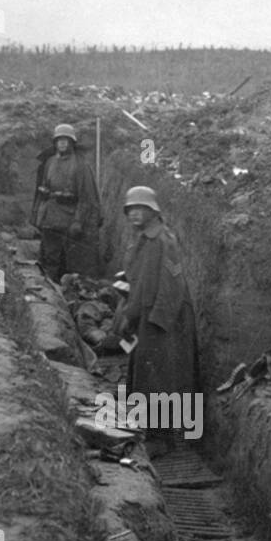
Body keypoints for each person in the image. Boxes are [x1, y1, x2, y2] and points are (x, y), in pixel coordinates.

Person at [112, 186, 202, 455]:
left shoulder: (164, 241)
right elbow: (137, 280)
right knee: (146, 375)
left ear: (153, 211)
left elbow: (172, 286)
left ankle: (161, 439)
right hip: (146, 316)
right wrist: (129, 311)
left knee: (159, 378)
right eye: (131, 210)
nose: (134, 214)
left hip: (162, 320)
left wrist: (156, 322)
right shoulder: (142, 240)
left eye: (141, 209)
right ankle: (148, 428)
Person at [32, 123, 102, 282]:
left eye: (66, 140)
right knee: (50, 256)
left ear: (72, 143)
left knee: (72, 260)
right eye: (59, 140)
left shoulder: (80, 165)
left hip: (70, 217)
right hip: (50, 217)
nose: (62, 143)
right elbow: (42, 188)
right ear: (55, 143)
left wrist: (78, 221)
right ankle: (51, 287)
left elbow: (86, 196)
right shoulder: (49, 162)